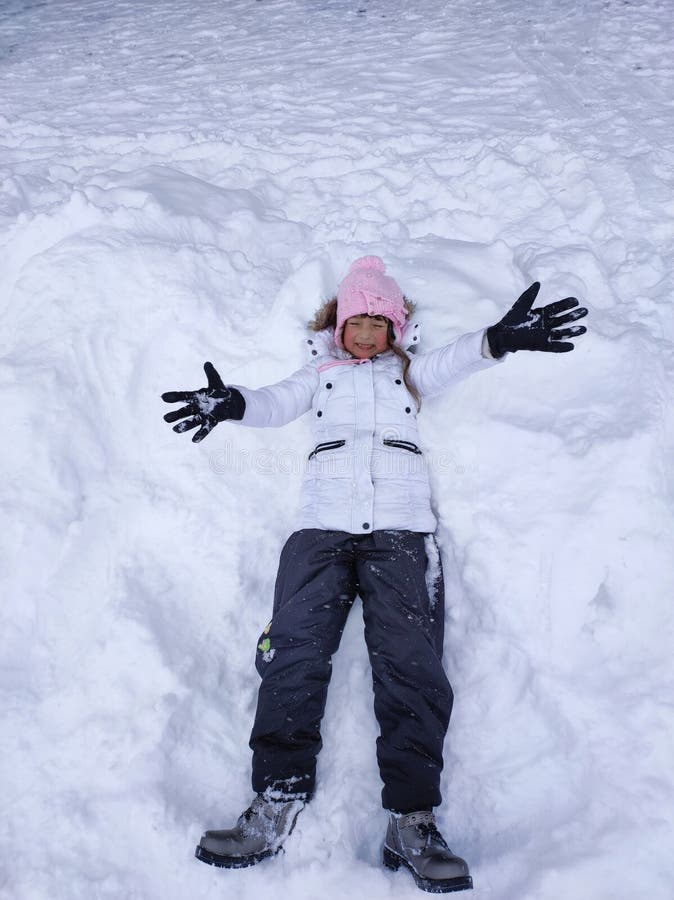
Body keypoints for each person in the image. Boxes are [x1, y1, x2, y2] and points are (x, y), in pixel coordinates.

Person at [161, 256, 587, 894]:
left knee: (411, 663)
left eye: (377, 322)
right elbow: (275, 403)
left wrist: (498, 339)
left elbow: (452, 362)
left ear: (394, 330)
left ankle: (412, 818)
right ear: (337, 325)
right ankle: (275, 800)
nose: (365, 332)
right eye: (355, 320)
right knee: (293, 654)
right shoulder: (319, 375)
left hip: (402, 533)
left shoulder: (408, 375)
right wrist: (232, 403)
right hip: (320, 532)